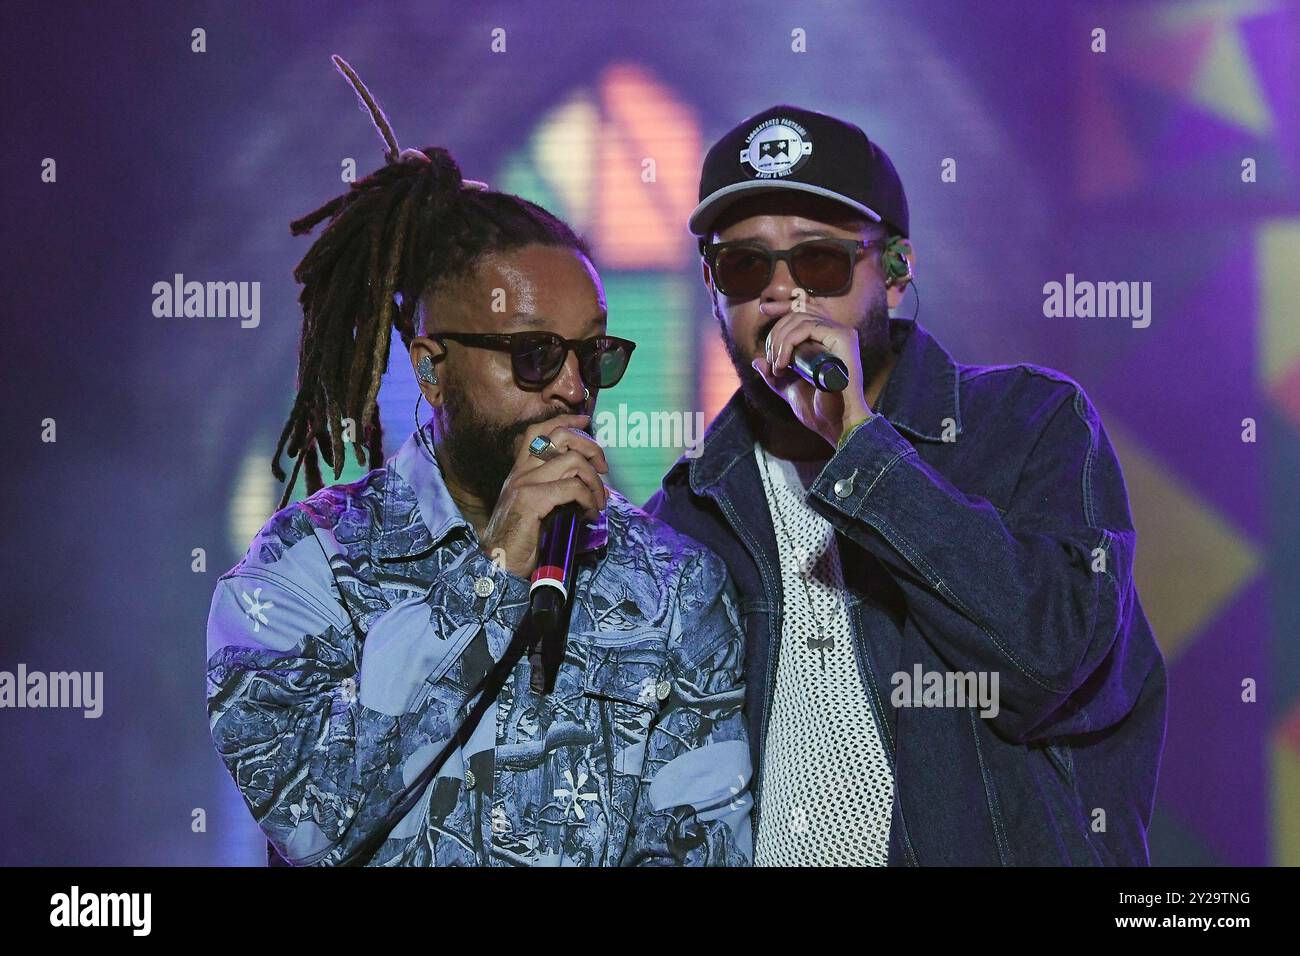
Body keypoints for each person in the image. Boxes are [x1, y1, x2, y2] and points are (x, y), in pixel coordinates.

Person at [204, 58, 752, 867]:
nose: (572, 386)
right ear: (430, 367)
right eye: (532, 355)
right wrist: (490, 576)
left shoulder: (675, 586)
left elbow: (705, 847)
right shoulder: (303, 568)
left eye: (590, 353)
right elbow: (314, 818)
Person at [645, 104, 1167, 865]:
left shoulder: (1029, 425)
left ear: (894, 274)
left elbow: (1046, 661)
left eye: (820, 261)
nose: (783, 295)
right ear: (712, 284)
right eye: (745, 265)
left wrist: (860, 450)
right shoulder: (692, 510)